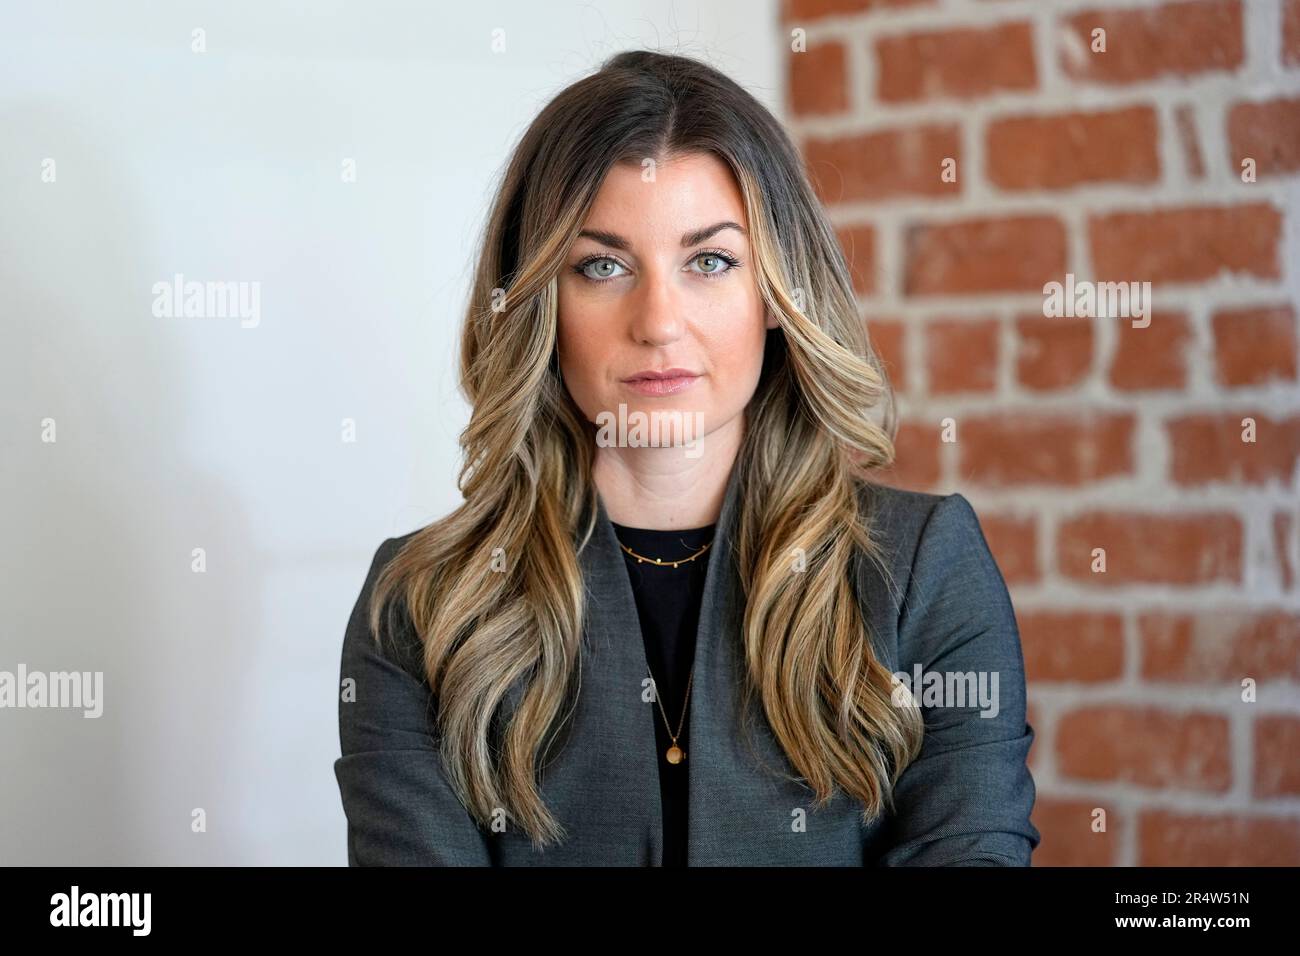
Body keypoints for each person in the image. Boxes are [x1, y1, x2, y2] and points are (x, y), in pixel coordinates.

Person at [333, 49, 1041, 866]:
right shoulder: (419, 609)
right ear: (537, 304)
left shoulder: (925, 570)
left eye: (710, 261)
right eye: (603, 266)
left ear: (779, 293)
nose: (659, 321)